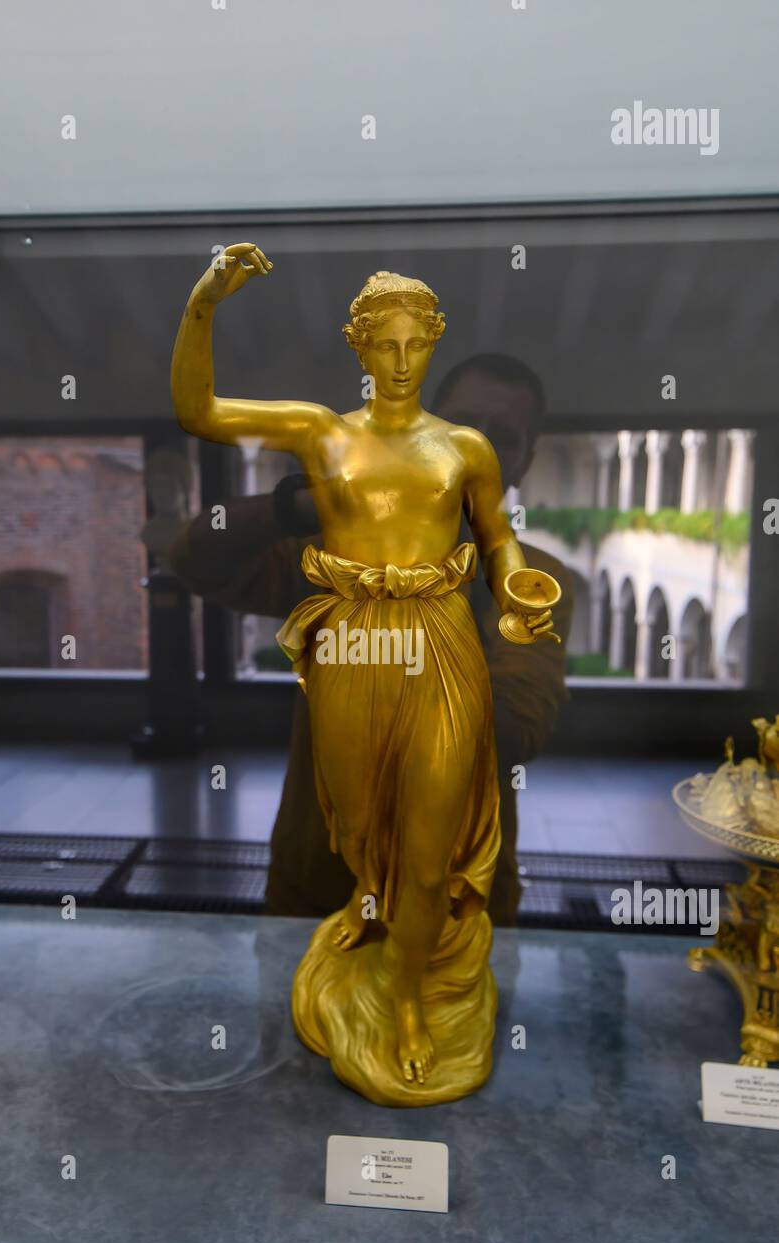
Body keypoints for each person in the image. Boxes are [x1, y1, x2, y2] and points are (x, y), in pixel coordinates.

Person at [169, 260, 572, 945]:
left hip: (453, 905)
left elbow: (515, 728)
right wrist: (302, 504)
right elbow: (193, 554)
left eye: (502, 438)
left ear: (522, 462)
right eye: (464, 422)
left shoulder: (535, 575)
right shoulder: (329, 543)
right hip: (316, 884)